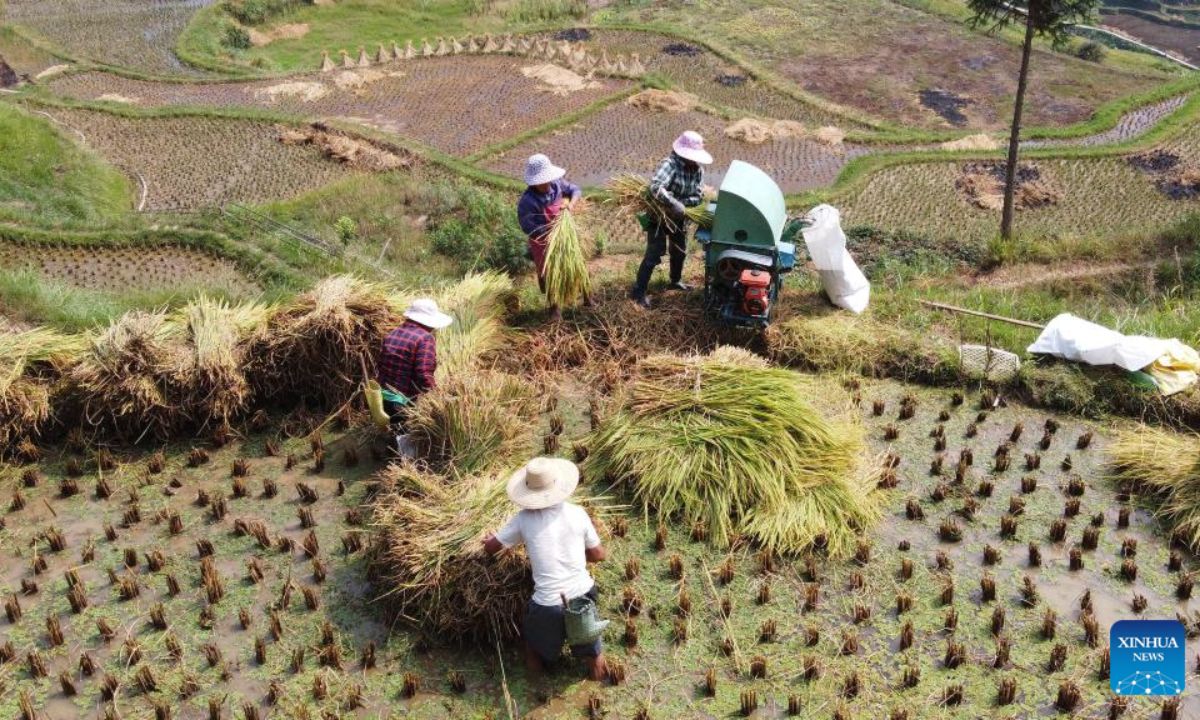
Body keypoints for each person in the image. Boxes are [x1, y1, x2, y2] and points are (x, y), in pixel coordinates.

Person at [483, 457, 608, 681]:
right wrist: (578, 559)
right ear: (559, 485)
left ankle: (536, 687)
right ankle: (596, 678)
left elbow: (492, 548)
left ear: (528, 492)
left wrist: (489, 539)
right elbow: (599, 554)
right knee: (593, 651)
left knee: (532, 644)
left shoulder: (523, 519)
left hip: (549, 605)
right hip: (584, 595)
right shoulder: (578, 512)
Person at [629, 130, 712, 309]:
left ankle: (675, 281)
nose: (694, 160)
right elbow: (656, 186)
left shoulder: (698, 170)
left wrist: (681, 205)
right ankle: (638, 292)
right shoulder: (670, 164)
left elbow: (698, 196)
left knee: (680, 250)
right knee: (655, 252)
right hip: (659, 216)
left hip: (679, 218)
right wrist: (672, 202)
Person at [517, 153, 585, 322]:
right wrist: (552, 233)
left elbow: (576, 190)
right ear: (535, 182)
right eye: (543, 182)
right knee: (548, 274)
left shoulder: (557, 184)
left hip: (564, 235)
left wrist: (570, 205)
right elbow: (529, 227)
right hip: (543, 242)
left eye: (548, 179)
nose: (547, 184)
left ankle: (588, 298)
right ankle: (554, 308)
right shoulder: (527, 201)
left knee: (578, 264)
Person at [377, 298, 452, 446]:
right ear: (427, 321)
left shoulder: (393, 333)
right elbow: (423, 373)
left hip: (385, 396)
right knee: (407, 436)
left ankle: (390, 450)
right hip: (404, 401)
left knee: (395, 429)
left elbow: (381, 365)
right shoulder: (424, 338)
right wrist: (438, 395)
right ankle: (404, 464)